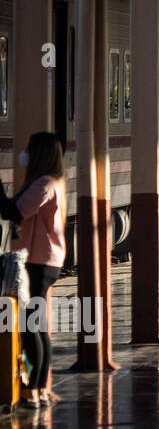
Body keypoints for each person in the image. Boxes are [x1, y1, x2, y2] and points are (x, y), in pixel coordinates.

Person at [0, 132, 67, 409]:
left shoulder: (44, 184)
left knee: (31, 326)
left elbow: (17, 213)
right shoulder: (50, 182)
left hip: (39, 262)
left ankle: (34, 391)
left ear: (39, 154)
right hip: (43, 260)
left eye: (29, 148)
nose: (24, 153)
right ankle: (37, 390)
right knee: (36, 326)